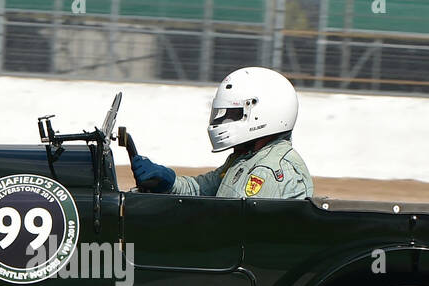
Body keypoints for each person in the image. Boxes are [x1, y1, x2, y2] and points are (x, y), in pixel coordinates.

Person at [131, 67, 312, 199]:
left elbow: (230, 230)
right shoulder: (247, 158)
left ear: (262, 114)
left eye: (233, 115)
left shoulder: (267, 171)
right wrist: (167, 181)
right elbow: (202, 188)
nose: (224, 122)